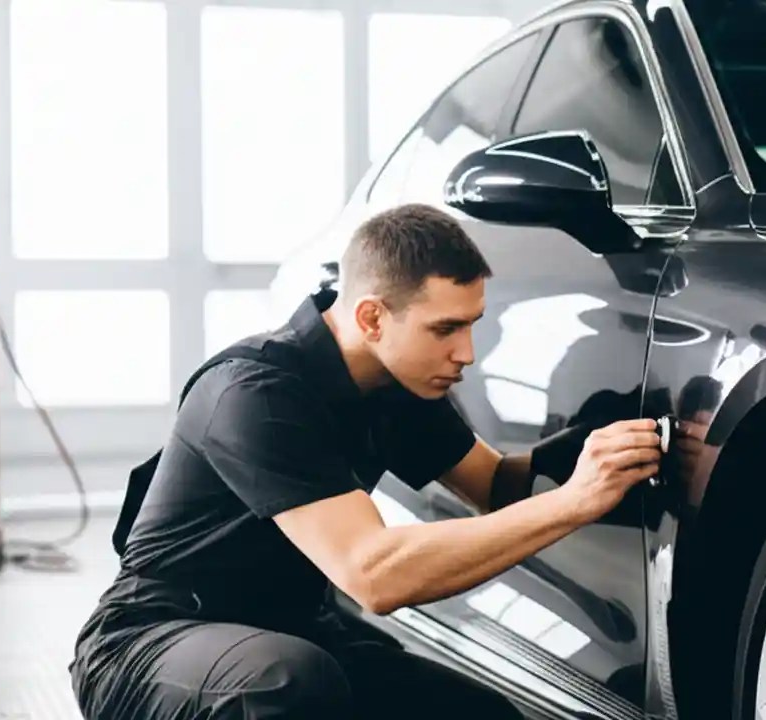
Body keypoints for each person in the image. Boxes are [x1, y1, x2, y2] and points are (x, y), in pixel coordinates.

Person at [69, 203, 663, 719]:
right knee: (287, 683)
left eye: (472, 325)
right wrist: (574, 500)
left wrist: (603, 445)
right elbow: (375, 575)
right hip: (153, 644)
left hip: (293, 634)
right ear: (373, 317)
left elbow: (494, 486)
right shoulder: (254, 392)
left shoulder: (397, 380)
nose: (467, 353)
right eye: (446, 329)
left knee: (479, 715)